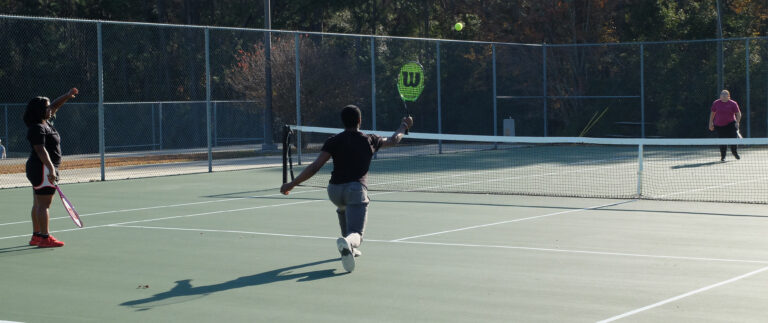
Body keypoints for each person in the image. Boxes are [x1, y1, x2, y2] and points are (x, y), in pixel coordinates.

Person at [280, 105, 413, 273]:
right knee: (356, 233)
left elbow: (314, 167)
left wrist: (291, 184)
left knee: (343, 207)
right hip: (355, 190)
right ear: (359, 121)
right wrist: (404, 126)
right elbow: (394, 140)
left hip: (334, 191)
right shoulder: (370, 139)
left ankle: (349, 247)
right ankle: (350, 242)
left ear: (343, 122)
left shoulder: (333, 141)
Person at [25, 88, 78, 248]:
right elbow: (40, 150)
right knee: (44, 205)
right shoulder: (38, 128)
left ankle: (36, 236)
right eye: (47, 108)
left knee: (37, 203)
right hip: (43, 169)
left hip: (40, 169)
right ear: (41, 111)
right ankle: (44, 238)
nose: (51, 109)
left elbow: (55, 106)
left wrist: (67, 96)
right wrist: (51, 169)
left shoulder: (44, 122)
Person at [709, 89, 741, 162]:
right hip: (719, 125)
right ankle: (723, 156)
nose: (723, 95)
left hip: (731, 124)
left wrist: (737, 122)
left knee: (733, 139)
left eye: (725, 94)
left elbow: (738, 114)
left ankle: (734, 152)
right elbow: (712, 113)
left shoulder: (733, 103)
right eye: (722, 94)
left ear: (729, 96)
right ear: (720, 96)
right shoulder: (716, 103)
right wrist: (710, 123)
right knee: (722, 141)